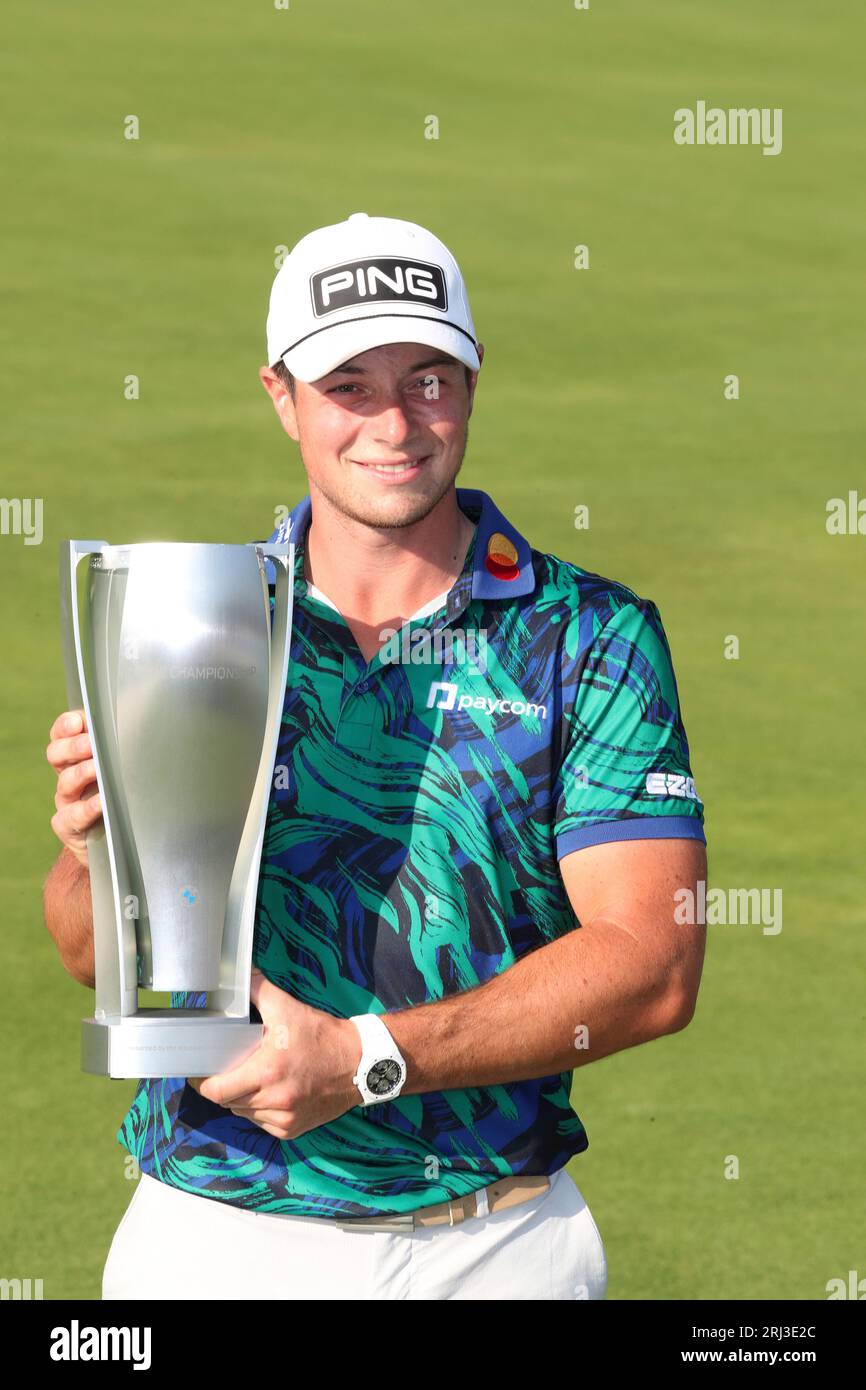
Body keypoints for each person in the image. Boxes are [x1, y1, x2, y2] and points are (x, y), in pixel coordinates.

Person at [43, 212, 708, 1301]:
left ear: (474, 378)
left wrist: (364, 1059)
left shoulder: (589, 636)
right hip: (214, 1235)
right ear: (281, 397)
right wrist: (99, 853)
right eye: (348, 383)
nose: (395, 423)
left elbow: (653, 966)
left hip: (496, 1244)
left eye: (428, 379)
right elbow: (89, 952)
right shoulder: (189, 622)